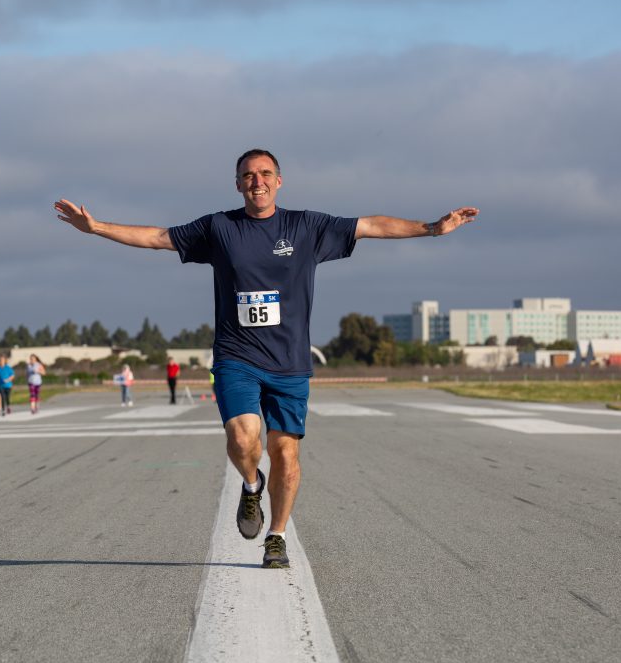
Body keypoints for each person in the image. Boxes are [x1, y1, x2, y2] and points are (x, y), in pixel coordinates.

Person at [55, 148, 478, 568]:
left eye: (264, 173)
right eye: (248, 175)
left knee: (286, 455)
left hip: (290, 362)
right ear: (238, 184)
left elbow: (369, 226)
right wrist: (96, 228)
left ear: (279, 181)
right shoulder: (219, 228)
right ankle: (252, 484)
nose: (256, 181)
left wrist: (432, 228)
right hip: (236, 356)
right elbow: (158, 238)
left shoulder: (306, 226)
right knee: (243, 440)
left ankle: (276, 536)